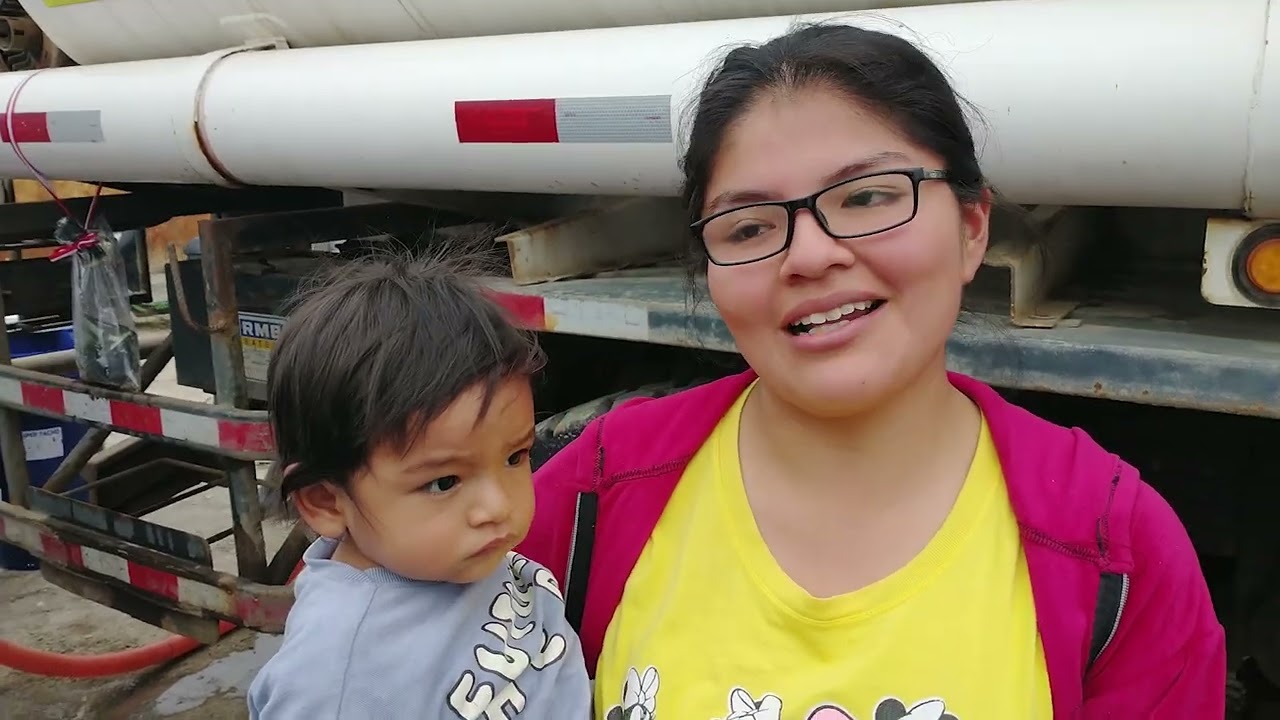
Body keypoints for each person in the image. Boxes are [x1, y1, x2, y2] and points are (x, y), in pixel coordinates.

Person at [517, 21, 1225, 720]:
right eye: (750, 226)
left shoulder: (1113, 548)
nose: (811, 255)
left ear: (972, 229)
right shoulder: (600, 492)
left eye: (867, 197)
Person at [247, 253, 592, 720]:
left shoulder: (453, 554)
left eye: (515, 457)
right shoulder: (336, 678)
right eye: (444, 482)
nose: (497, 506)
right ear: (328, 502)